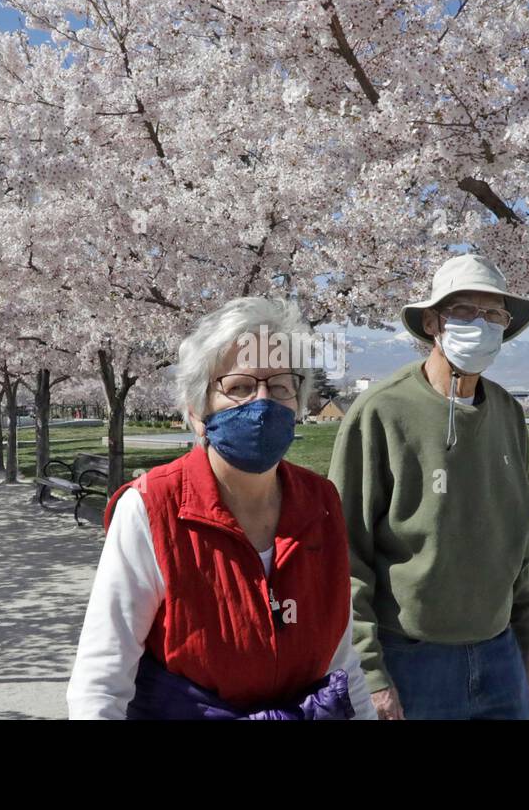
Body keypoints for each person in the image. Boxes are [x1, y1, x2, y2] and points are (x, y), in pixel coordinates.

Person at [67, 297, 375, 720]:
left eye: (280, 386)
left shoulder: (321, 503)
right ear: (197, 411)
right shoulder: (150, 508)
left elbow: (341, 660)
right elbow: (101, 683)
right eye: (240, 387)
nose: (263, 402)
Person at [329, 252, 529, 720]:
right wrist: (369, 673)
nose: (482, 325)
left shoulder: (508, 413)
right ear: (432, 322)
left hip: (500, 652)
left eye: (494, 315)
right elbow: (342, 553)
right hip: (411, 658)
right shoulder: (381, 412)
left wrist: (528, 643)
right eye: (465, 311)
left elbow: (519, 539)